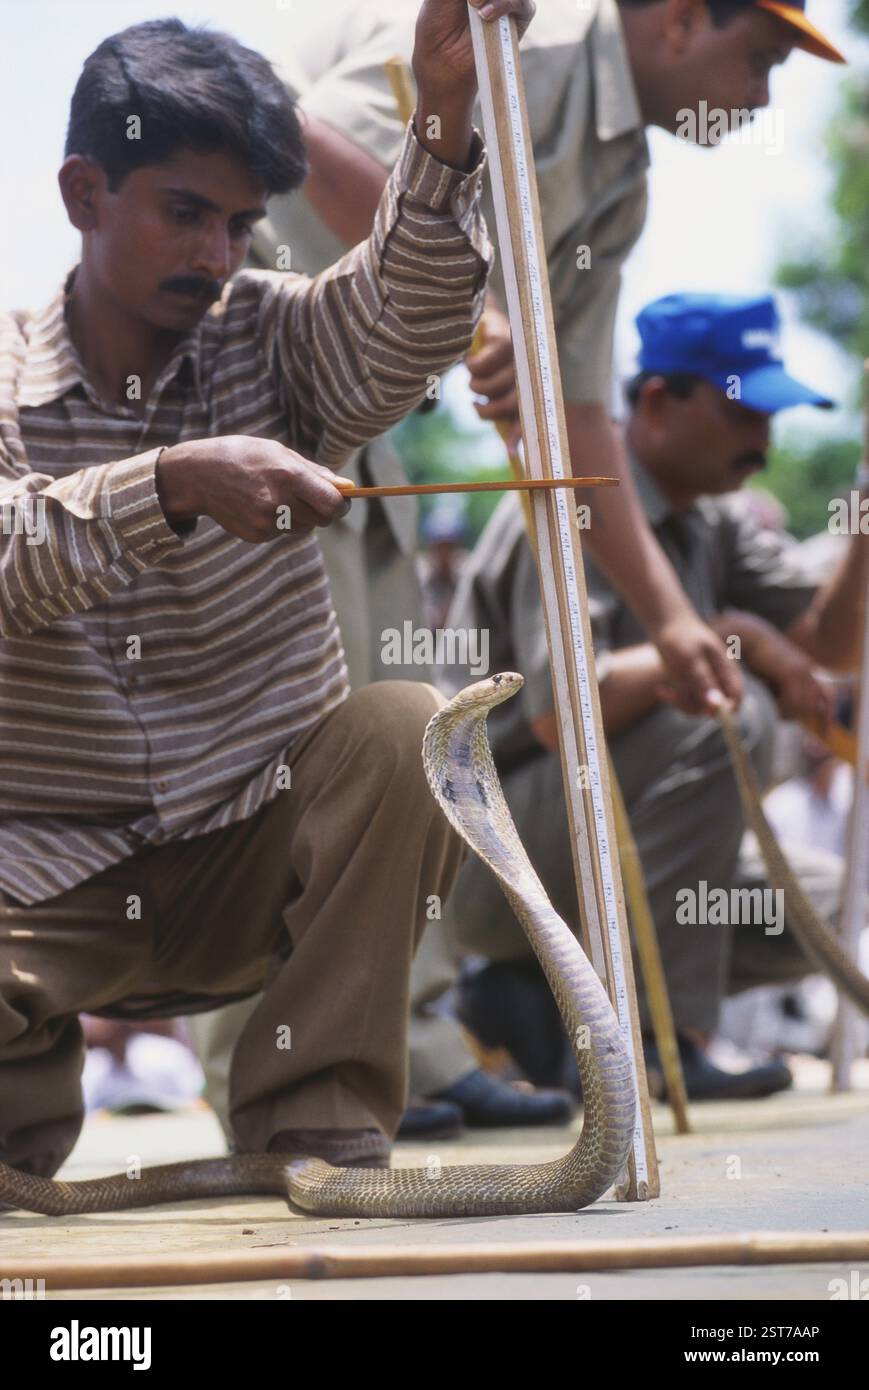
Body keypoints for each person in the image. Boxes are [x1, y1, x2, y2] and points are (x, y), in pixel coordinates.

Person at [0, 0, 539, 1181]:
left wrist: (443, 122)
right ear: (84, 194)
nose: (215, 254)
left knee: (409, 728)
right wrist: (176, 481)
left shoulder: (275, 340)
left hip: (253, 848)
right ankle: (20, 1130)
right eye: (183, 213)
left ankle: (315, 1115)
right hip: (42, 884)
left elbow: (402, 323)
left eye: (241, 224)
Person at [440, 292, 868, 1101]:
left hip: (598, 841)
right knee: (722, 715)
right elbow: (555, 716)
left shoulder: (710, 517)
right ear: (655, 401)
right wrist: (723, 631)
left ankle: (537, 1000)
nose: (763, 441)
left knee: (827, 907)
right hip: (494, 855)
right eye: (742, 411)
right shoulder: (572, 493)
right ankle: (649, 1046)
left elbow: (832, 647)